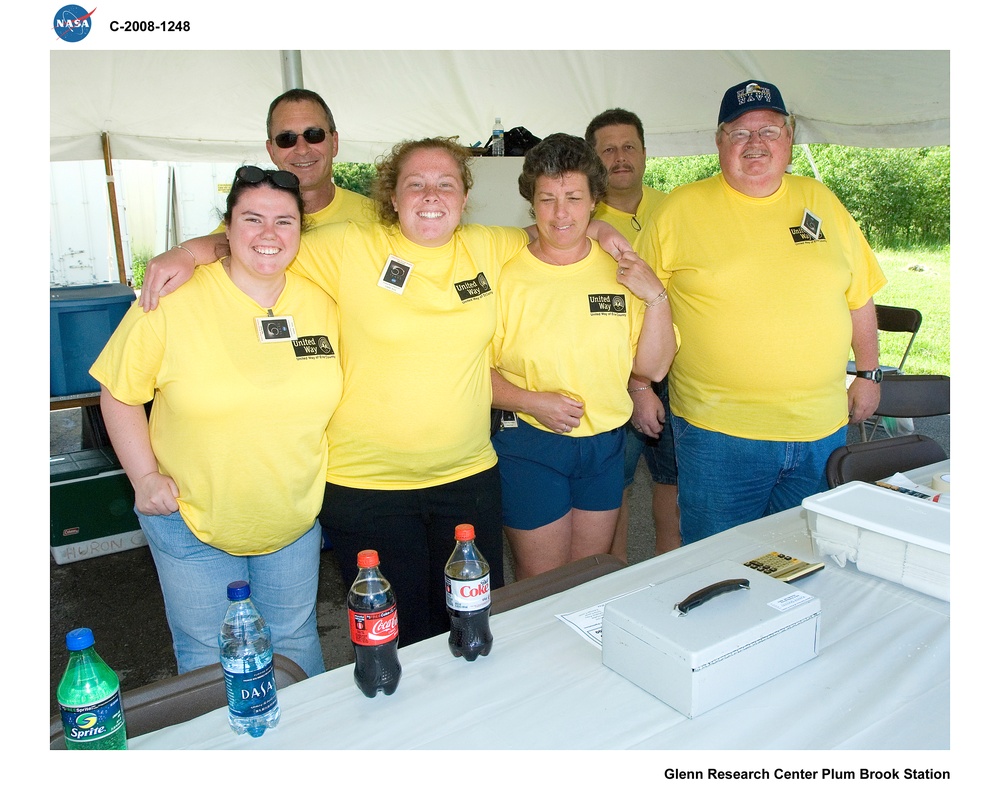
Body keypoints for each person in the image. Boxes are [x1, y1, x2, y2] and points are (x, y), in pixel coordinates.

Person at [138, 136, 635, 646]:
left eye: (445, 184)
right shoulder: (349, 246)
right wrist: (187, 251)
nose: (430, 195)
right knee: (395, 634)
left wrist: (601, 226)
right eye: (414, 184)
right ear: (391, 198)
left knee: (474, 624)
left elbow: (558, 227)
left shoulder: (491, 245)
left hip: (467, 478)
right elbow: (263, 241)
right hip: (367, 487)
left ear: (464, 198)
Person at [90, 166, 342, 676]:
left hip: (290, 516)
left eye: (284, 222)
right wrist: (143, 476)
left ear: (300, 231)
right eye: (252, 219)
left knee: (294, 639)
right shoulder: (171, 299)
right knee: (211, 656)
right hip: (190, 516)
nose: (268, 235)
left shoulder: (322, 303)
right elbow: (117, 392)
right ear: (225, 230)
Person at [637, 80, 886, 543]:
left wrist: (869, 373)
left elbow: (860, 295)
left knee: (802, 560)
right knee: (715, 566)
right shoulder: (679, 210)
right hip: (718, 434)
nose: (755, 144)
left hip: (821, 430)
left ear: (789, 138)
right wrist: (639, 385)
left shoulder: (821, 201)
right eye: (739, 133)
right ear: (718, 142)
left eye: (769, 131)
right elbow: (637, 310)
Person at [490, 133, 677, 580]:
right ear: (530, 201)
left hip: (604, 443)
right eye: (547, 198)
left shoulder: (620, 266)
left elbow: (651, 368)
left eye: (573, 197)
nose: (560, 213)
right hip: (531, 441)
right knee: (540, 582)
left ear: (595, 200)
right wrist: (532, 401)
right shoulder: (505, 271)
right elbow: (472, 370)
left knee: (588, 576)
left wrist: (656, 298)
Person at [585, 108, 680, 560]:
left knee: (674, 481)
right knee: (613, 490)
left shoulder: (676, 208)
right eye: (608, 149)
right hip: (614, 374)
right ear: (592, 159)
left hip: (676, 368)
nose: (620, 157)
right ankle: (615, 580)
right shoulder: (579, 219)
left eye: (629, 147)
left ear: (644, 152)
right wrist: (635, 384)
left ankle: (669, 575)